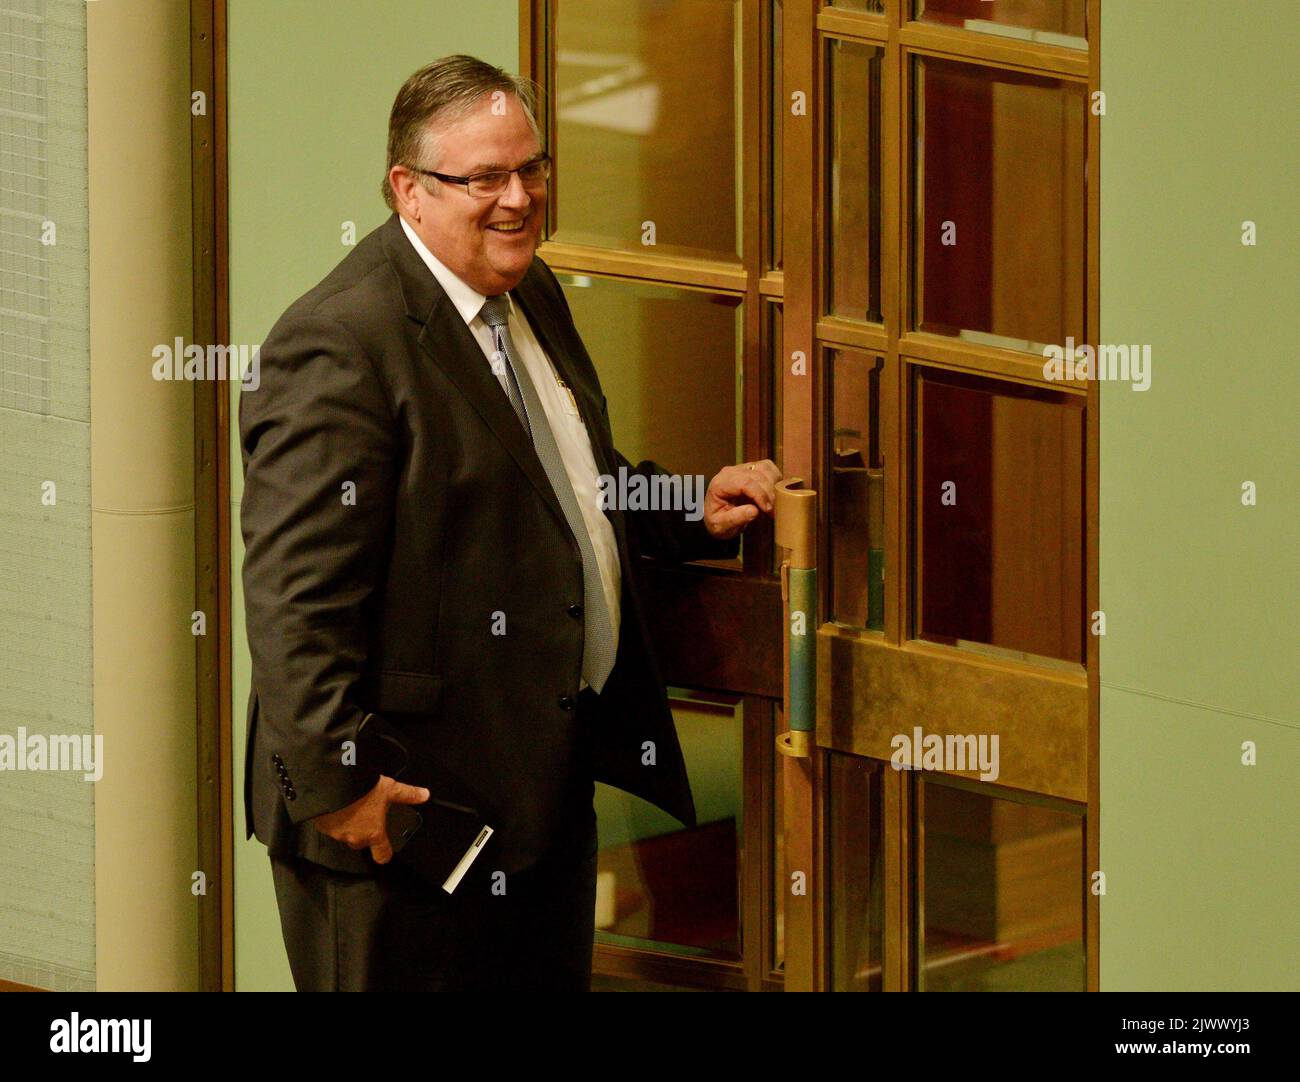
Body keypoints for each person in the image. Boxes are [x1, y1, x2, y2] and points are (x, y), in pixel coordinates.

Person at [239, 54, 781, 991]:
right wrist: (342, 793)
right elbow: (294, 605)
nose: (519, 198)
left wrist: (687, 508)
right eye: (485, 177)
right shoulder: (339, 344)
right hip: (400, 828)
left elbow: (568, 484)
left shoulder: (526, 291)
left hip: (537, 809)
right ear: (408, 190)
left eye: (532, 170)